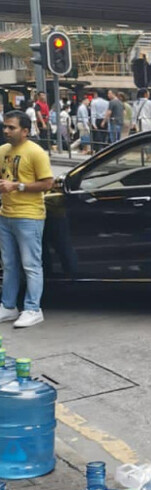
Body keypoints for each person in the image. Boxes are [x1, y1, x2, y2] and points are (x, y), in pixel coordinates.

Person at [0, 111, 55, 328]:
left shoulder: (36, 152)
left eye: (11, 128)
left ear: (25, 131)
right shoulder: (3, 151)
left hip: (29, 216)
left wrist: (18, 186)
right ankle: (8, 306)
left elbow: (47, 183)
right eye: (5, 127)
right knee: (9, 265)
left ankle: (33, 308)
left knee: (31, 265)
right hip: (5, 215)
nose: (6, 131)